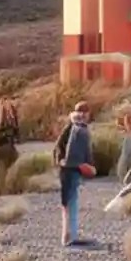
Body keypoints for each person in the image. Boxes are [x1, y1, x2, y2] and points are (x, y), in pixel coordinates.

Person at [54, 101, 95, 247]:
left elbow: (58, 147)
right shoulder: (80, 128)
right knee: (71, 203)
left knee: (67, 203)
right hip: (71, 170)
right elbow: (74, 153)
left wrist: (60, 162)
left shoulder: (70, 126)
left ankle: (68, 235)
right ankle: (70, 237)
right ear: (85, 113)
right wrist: (82, 165)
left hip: (65, 170)